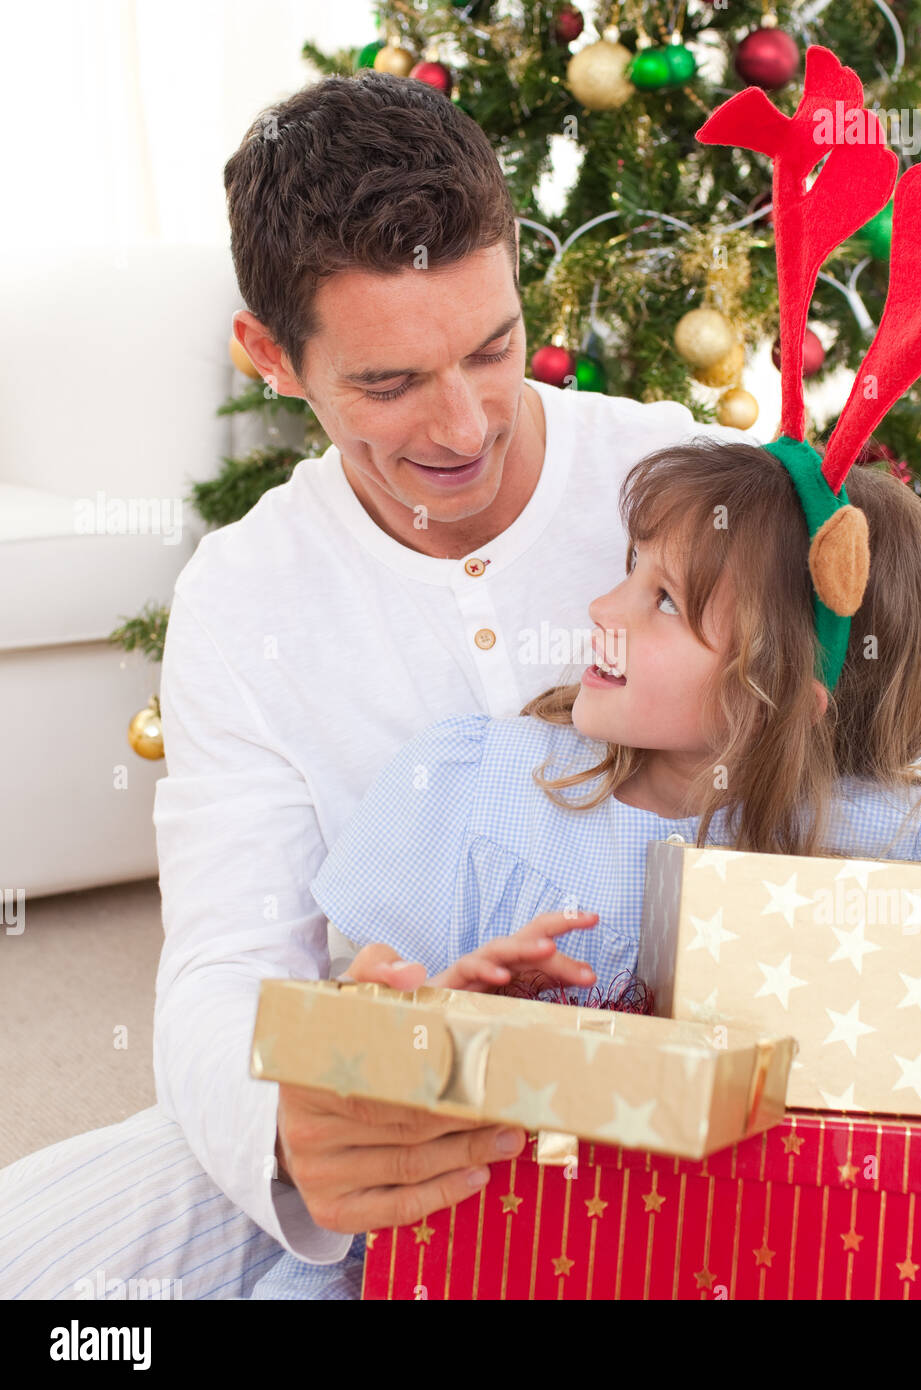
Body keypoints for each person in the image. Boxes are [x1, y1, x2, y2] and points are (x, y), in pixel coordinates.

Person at [0, 72, 779, 1300]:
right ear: (270, 357)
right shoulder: (241, 595)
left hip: (723, 1109)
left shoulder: (687, 477)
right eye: (388, 383)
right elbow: (225, 962)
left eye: (492, 348)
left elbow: (875, 788)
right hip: (410, 1123)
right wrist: (287, 1131)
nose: (464, 427)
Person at [247, 437, 921, 1300]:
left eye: (665, 600)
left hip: (784, 1251)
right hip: (525, 1248)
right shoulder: (491, 790)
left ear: (778, 696)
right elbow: (364, 1030)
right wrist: (440, 1005)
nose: (604, 608)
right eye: (630, 568)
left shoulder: (897, 841)